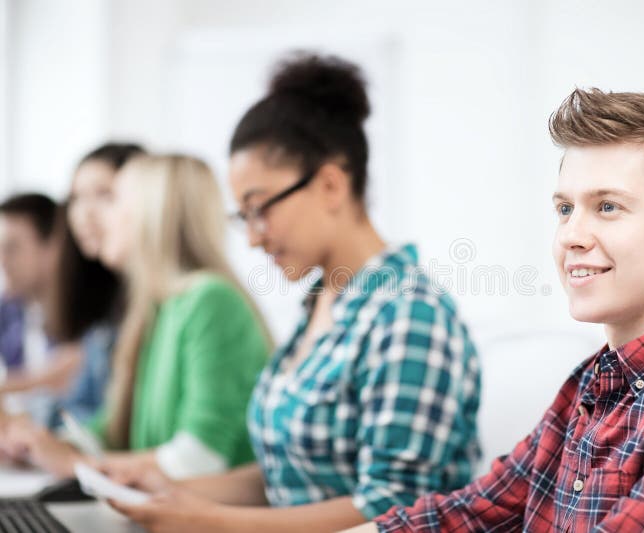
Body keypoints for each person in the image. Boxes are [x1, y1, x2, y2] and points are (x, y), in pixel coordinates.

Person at [345, 89, 644, 532]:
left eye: (607, 206)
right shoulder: (593, 381)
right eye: (564, 209)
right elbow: (472, 512)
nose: (570, 236)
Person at [107, 53, 481, 533]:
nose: (253, 237)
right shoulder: (321, 304)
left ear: (330, 184)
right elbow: (289, 477)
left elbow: (393, 510)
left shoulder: (408, 315)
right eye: (242, 216)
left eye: (259, 208)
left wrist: (211, 521)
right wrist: (167, 491)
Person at [0, 154, 272, 481]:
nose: (94, 218)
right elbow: (112, 431)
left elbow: (201, 457)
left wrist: (76, 465)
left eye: (111, 200)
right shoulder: (157, 309)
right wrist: (43, 447)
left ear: (151, 214)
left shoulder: (209, 299)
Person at [44, 142, 144, 426]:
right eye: (76, 198)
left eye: (104, 195)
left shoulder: (176, 301)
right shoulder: (110, 299)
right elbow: (83, 404)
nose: (84, 213)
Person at [0, 193, 78, 422]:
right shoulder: (8, 311)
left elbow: (69, 371)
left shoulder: (84, 305)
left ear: (52, 247)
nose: (2, 261)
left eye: (12, 248)